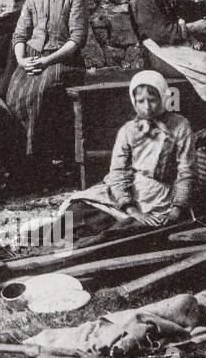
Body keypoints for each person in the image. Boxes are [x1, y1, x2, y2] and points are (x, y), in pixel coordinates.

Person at [32, 71, 196, 246]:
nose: (147, 106)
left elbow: (186, 171)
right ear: (134, 102)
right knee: (79, 213)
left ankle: (82, 248)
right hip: (126, 194)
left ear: (163, 96)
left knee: (123, 233)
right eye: (140, 101)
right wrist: (131, 209)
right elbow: (118, 173)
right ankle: (42, 239)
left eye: (153, 99)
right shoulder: (128, 130)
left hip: (160, 198)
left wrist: (176, 211)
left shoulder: (180, 126)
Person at [5, 0, 90, 178]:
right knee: (13, 95)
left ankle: (42, 164)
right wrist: (22, 60)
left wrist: (46, 61)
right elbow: (20, 34)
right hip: (32, 58)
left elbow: (77, 40)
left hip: (64, 60)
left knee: (39, 94)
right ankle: (23, 164)